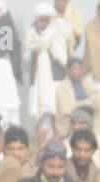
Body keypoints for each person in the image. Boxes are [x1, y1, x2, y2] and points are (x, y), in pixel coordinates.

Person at [25, 2, 69, 144]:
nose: (43, 21)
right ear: (37, 19)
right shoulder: (31, 34)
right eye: (41, 18)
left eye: (46, 18)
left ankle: (56, 142)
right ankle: (42, 145)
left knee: (54, 112)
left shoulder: (57, 33)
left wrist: (51, 47)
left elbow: (63, 59)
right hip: (38, 81)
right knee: (41, 115)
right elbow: (25, 59)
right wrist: (33, 52)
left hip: (53, 80)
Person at [54, 59, 100, 143]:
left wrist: (93, 101)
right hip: (71, 123)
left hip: (89, 119)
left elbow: (98, 96)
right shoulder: (61, 88)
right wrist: (86, 103)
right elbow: (66, 110)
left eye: (80, 68)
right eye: (75, 68)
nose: (78, 71)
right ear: (68, 70)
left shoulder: (85, 82)